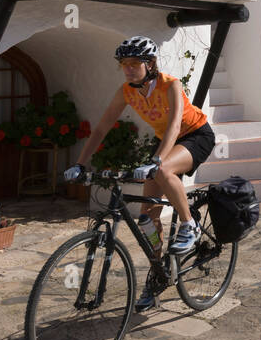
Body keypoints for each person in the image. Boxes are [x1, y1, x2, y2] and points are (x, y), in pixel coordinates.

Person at [71, 36, 216, 262]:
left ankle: (190, 224)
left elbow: (174, 125)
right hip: (165, 142)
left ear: (150, 64)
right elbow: (101, 129)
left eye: (134, 63)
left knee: (162, 170)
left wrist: (157, 160)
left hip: (195, 135)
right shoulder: (126, 91)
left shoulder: (170, 85)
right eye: (123, 64)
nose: (127, 69)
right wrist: (79, 163)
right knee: (147, 218)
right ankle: (157, 270)